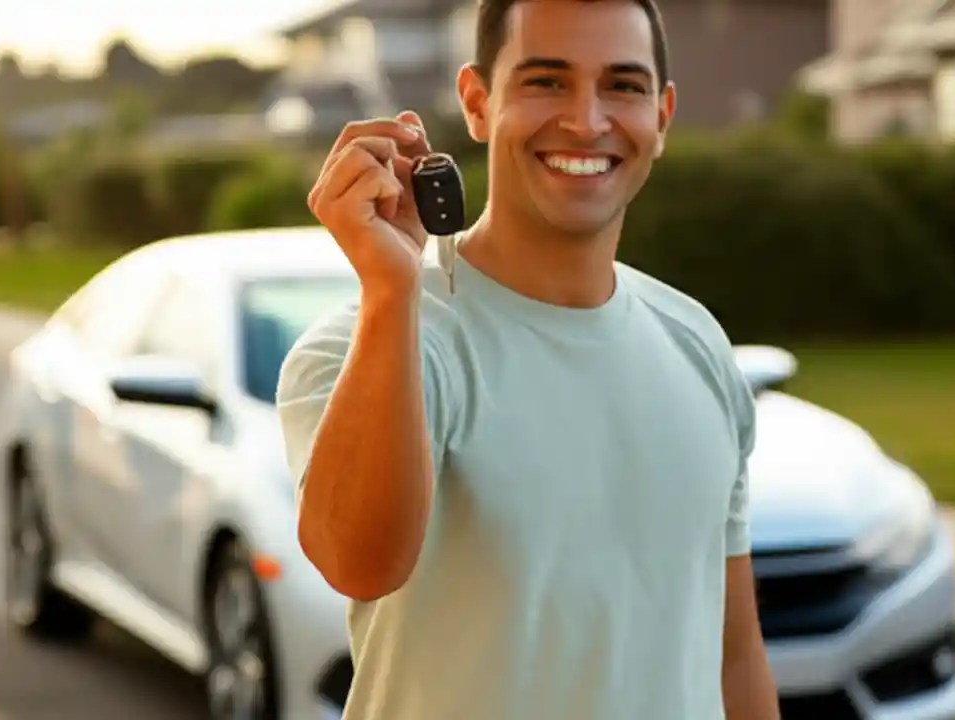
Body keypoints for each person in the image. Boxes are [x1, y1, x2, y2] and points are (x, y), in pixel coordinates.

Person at [276, 0, 780, 717]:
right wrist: (392, 290)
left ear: (662, 117)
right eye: (547, 81)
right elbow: (357, 561)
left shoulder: (696, 342)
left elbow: (734, 658)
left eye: (623, 86)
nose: (587, 119)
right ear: (478, 103)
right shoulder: (368, 344)